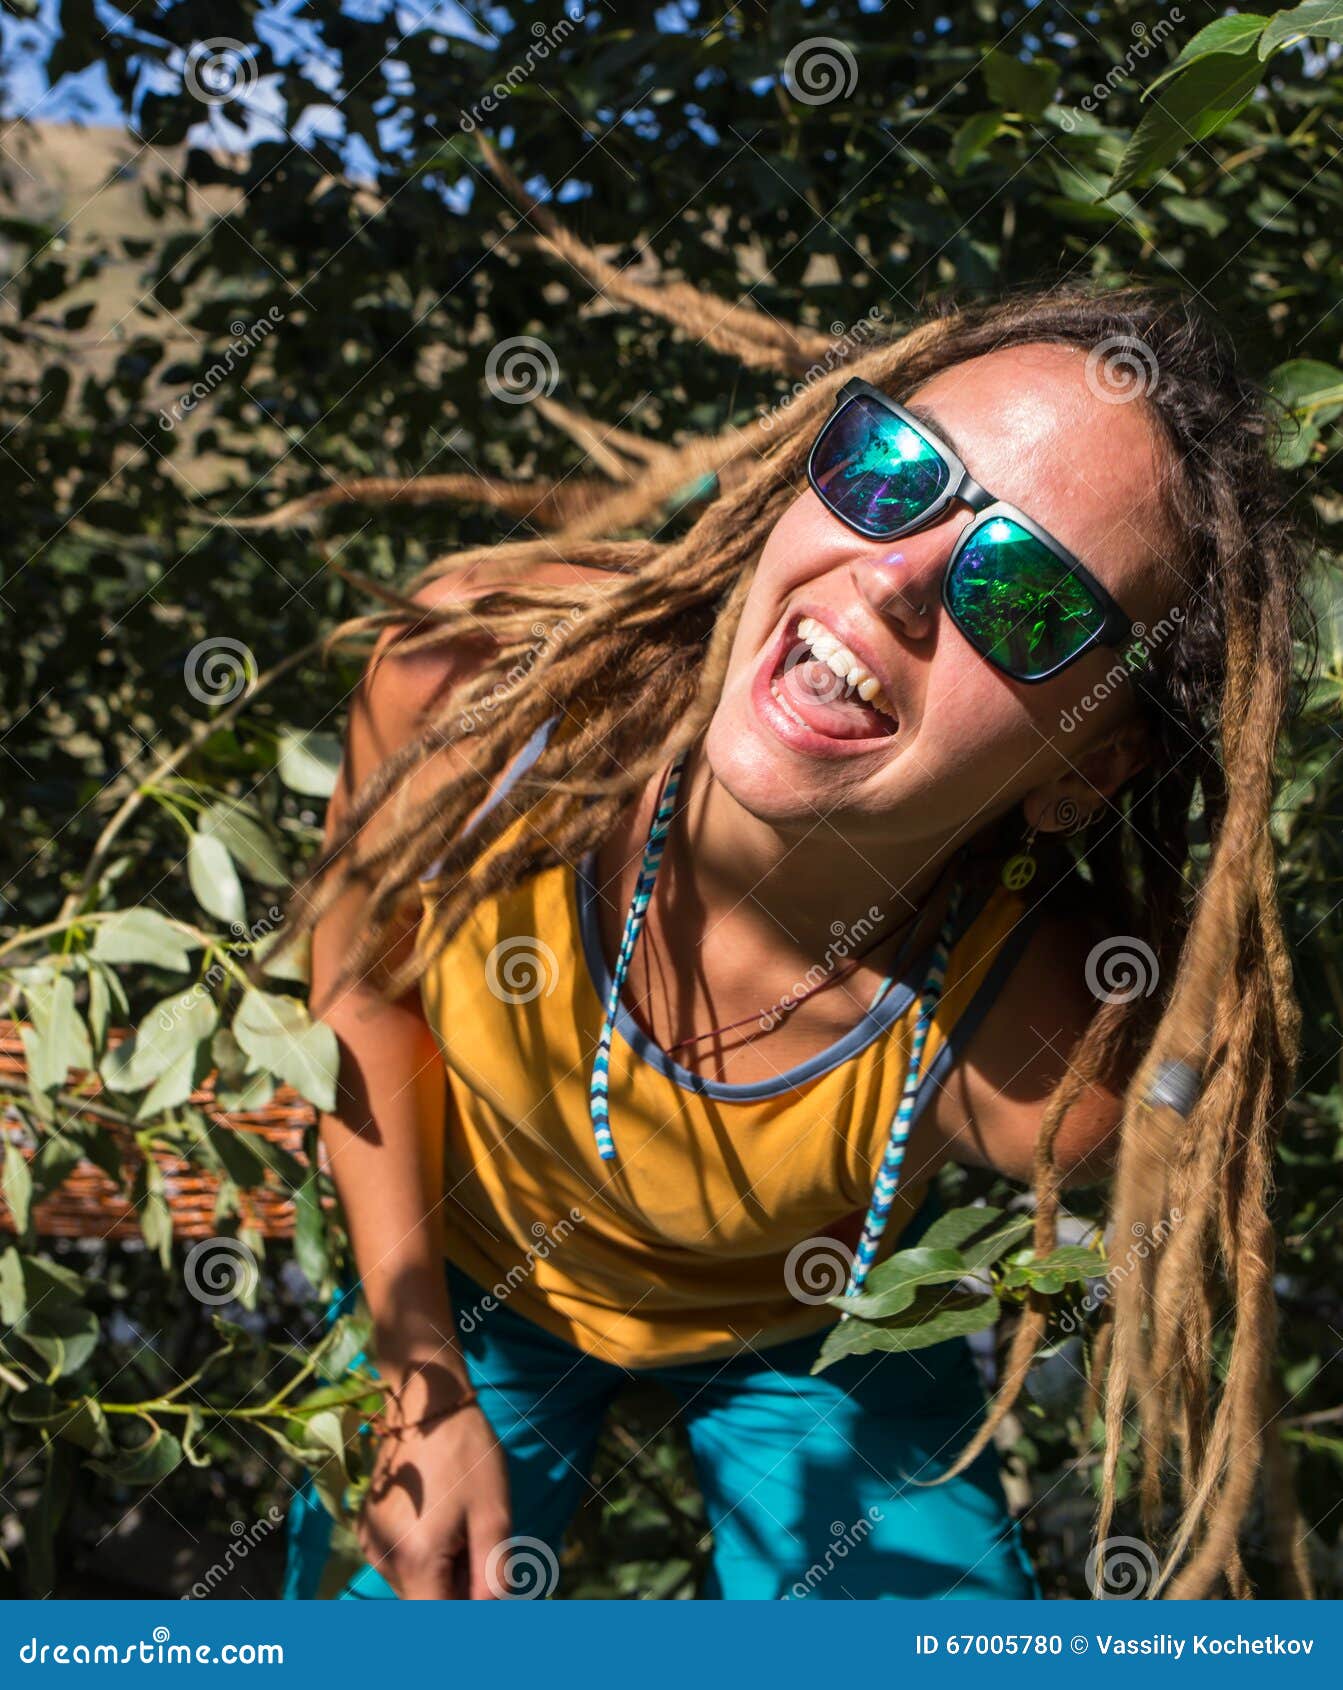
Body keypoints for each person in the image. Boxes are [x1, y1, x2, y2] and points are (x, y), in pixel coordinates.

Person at [280, 166, 1310, 1603]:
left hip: (803, 1336)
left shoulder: (1042, 1051)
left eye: (1025, 595)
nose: (896, 578)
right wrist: (420, 1376)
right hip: (461, 1275)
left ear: (1090, 761)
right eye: (892, 470)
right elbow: (358, 993)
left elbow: (1211, 1143)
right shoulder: (475, 688)